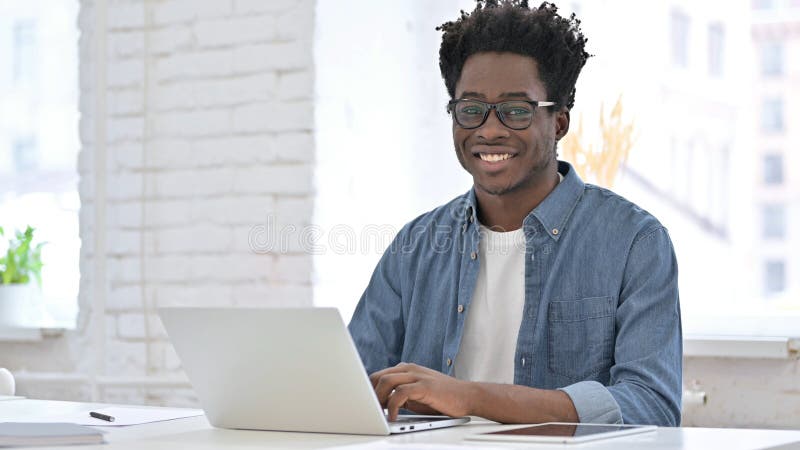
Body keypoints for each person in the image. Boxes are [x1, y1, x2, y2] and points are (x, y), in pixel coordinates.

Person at [348, 0, 681, 426]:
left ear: (559, 122)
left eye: (516, 110)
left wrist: (468, 397)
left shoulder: (634, 241)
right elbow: (353, 387)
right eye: (471, 109)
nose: (489, 129)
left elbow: (650, 406)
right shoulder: (415, 245)